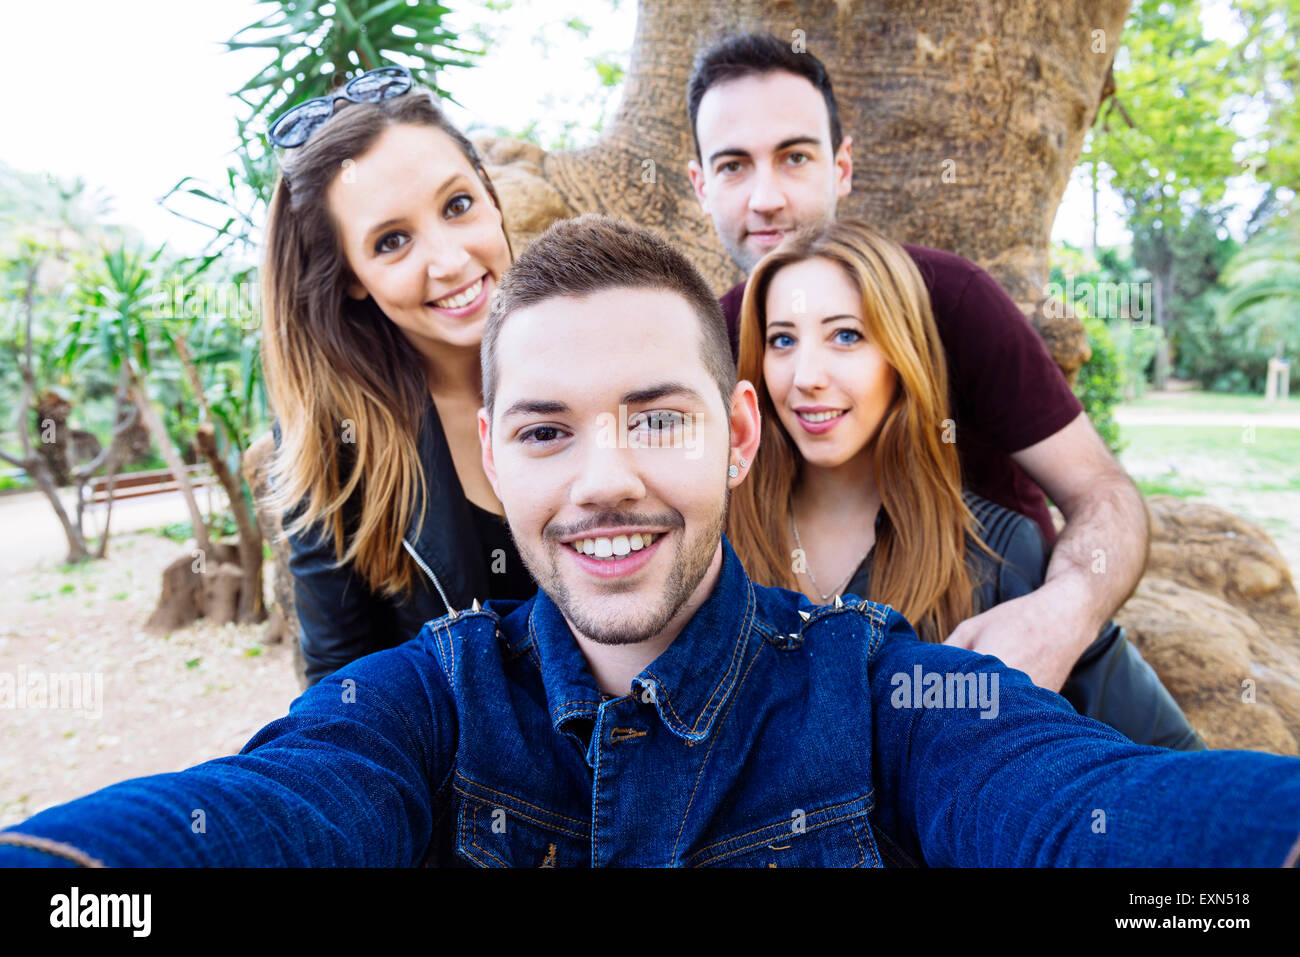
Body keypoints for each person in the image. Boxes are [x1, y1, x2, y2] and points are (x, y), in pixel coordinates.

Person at [2, 215, 1297, 869]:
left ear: (737, 437)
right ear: (496, 461)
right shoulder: (429, 707)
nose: (604, 481)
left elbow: (1079, 811)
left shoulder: (890, 687)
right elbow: (244, 819)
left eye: (655, 417)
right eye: (549, 432)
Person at [685, 33, 1149, 697]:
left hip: (993, 652)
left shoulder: (955, 300)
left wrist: (1060, 613)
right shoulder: (710, 340)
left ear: (841, 167)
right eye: (734, 166)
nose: (765, 198)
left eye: (794, 157)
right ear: (701, 185)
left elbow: (1104, 490)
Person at [727, 219, 1201, 750]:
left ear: (901, 358)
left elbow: (1176, 768)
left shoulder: (998, 555)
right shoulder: (713, 548)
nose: (806, 375)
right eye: (783, 340)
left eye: (846, 335)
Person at [260, 64, 536, 687]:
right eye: (391, 242)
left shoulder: (598, 350)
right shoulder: (336, 440)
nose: (448, 260)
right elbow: (340, 681)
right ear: (352, 277)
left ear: (492, 199)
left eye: (458, 205)